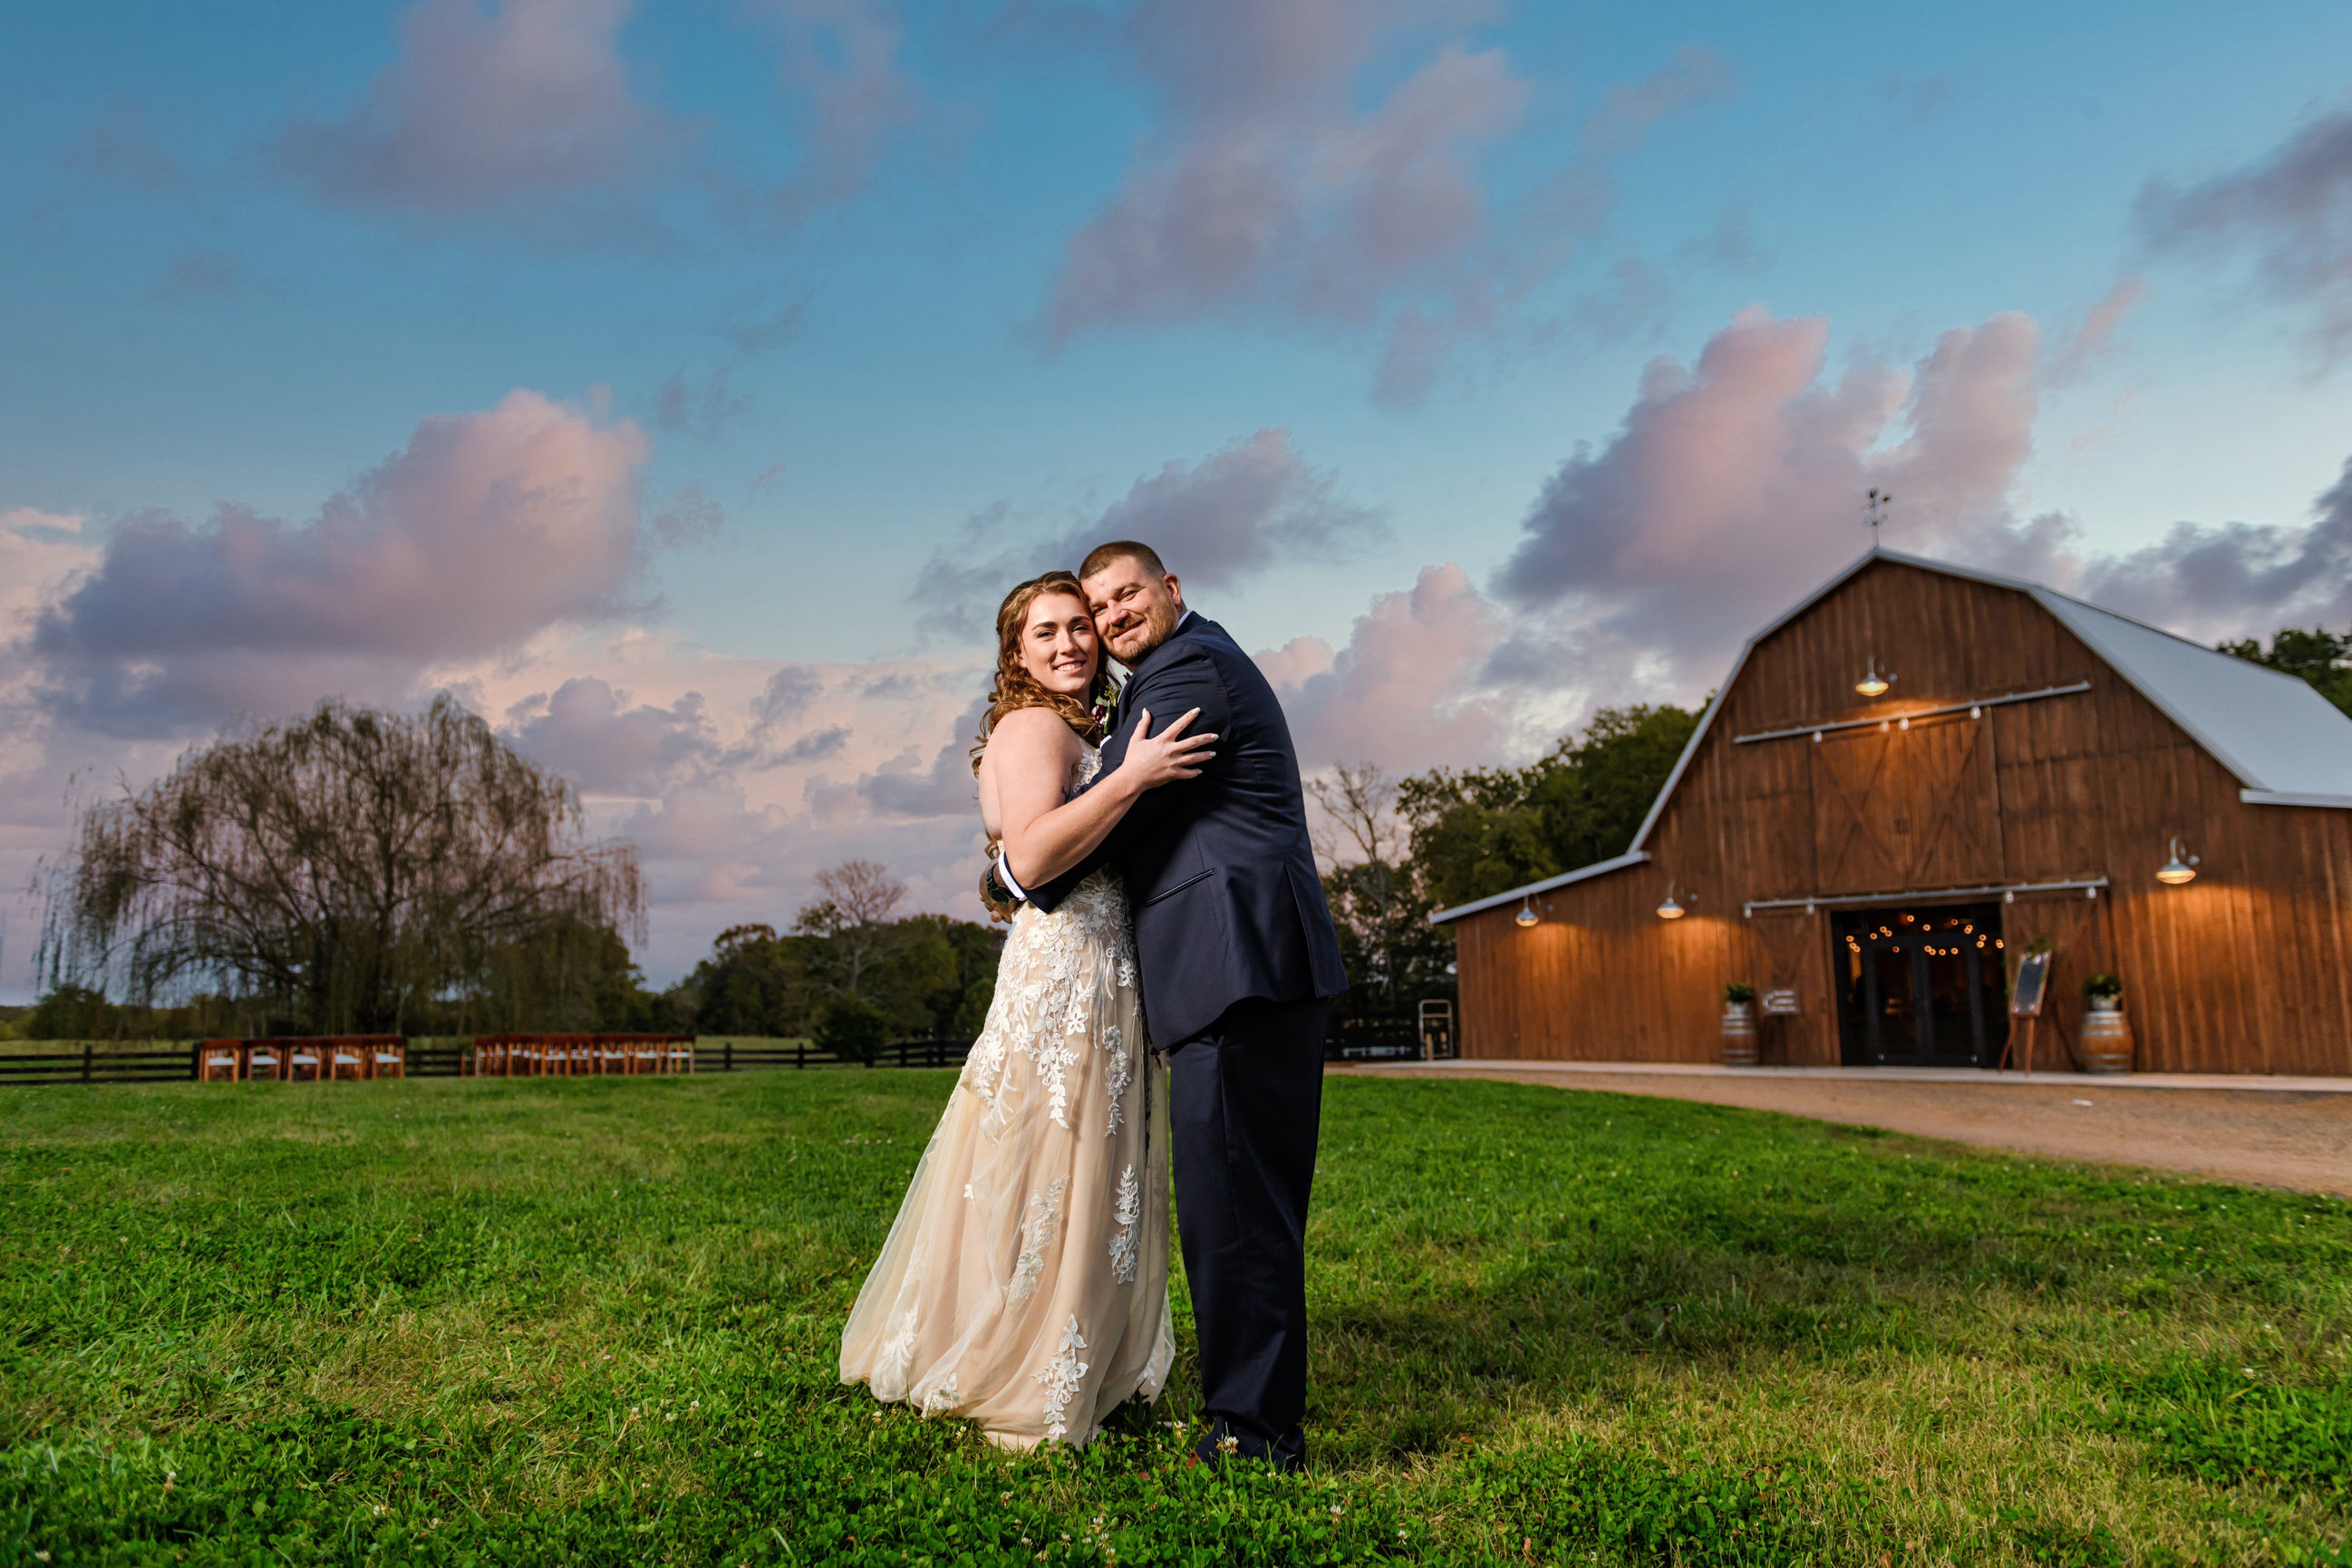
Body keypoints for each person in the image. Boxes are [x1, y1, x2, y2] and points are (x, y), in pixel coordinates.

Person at [840, 570, 1215, 1448]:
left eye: (1080, 626)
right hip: (1067, 971)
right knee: (1052, 1156)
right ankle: (1018, 1355)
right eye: (1045, 632)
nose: (1069, 643)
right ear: (1016, 652)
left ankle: (1084, 1348)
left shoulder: (1082, 725)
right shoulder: (1032, 725)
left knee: (1093, 1165)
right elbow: (1033, 858)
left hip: (1109, 967)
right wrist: (1133, 778)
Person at [995, 541, 1347, 1474]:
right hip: (1244, 969)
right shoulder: (1187, 663)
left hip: (1236, 967)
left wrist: (1013, 874)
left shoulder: (1186, 669)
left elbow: (1105, 826)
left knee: (1235, 1211)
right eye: (1097, 607)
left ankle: (1251, 1435)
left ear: (1172, 588)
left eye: (1125, 596)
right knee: (1242, 1204)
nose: (1111, 617)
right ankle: (1252, 1413)